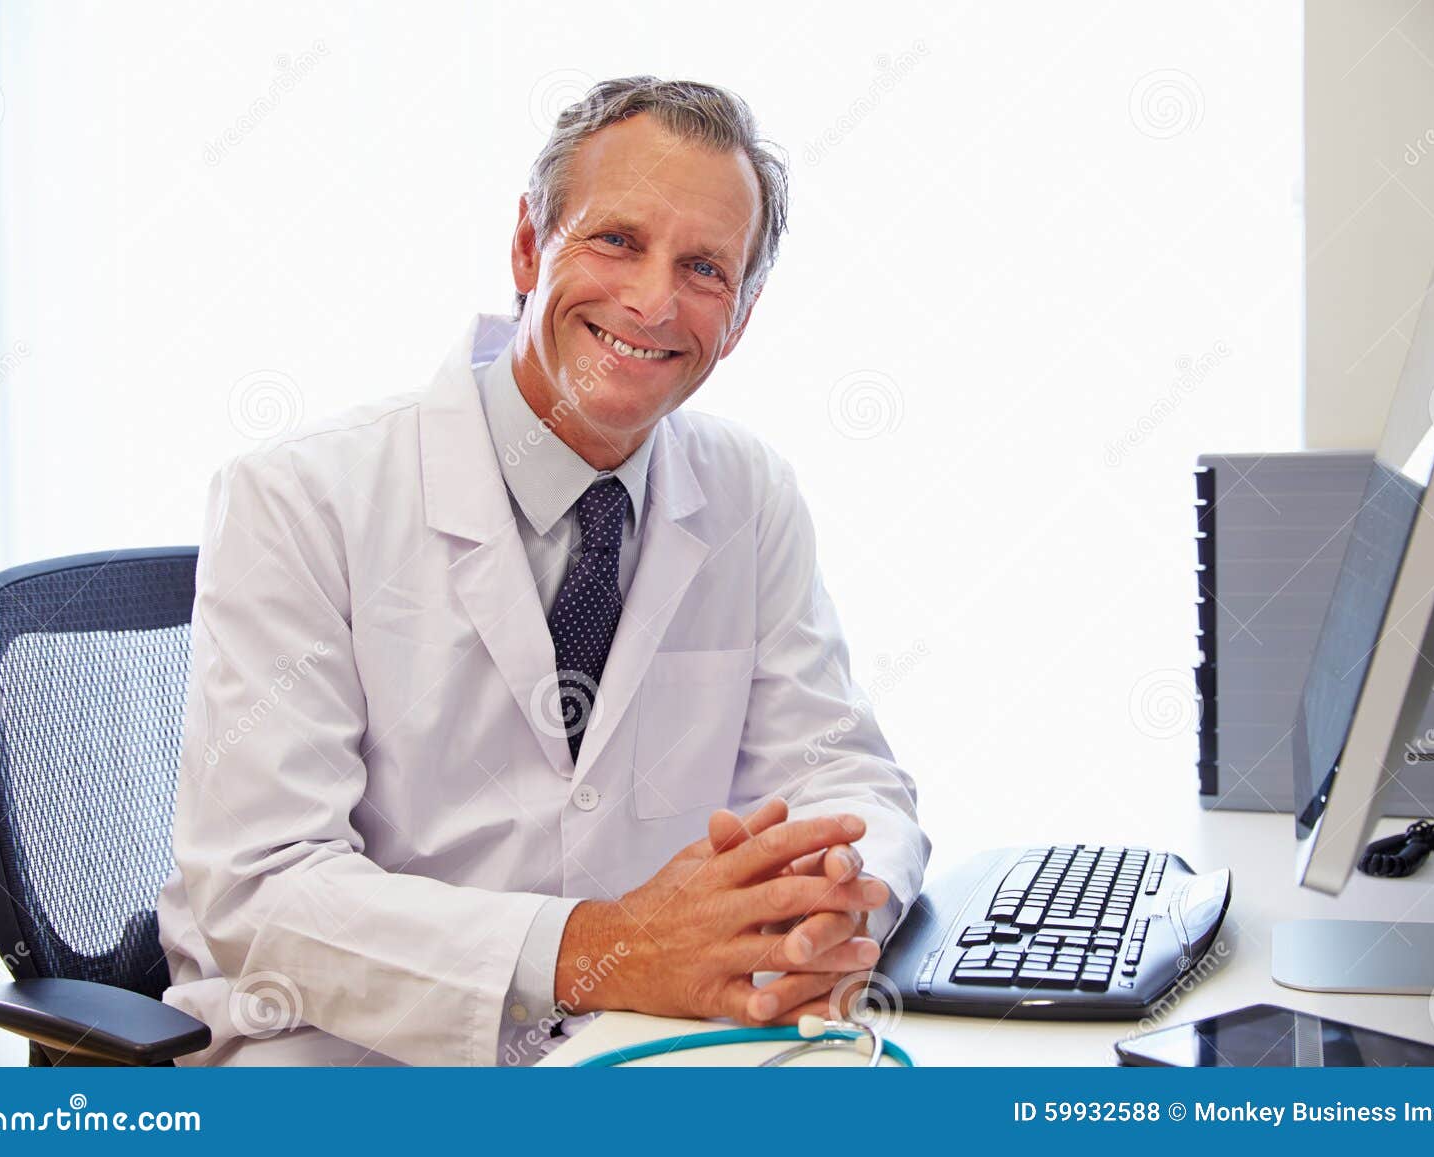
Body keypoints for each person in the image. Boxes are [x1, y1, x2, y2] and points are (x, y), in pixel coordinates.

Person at [157, 76, 930, 1066]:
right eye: (615, 240)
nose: (653, 300)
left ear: (738, 316)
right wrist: (600, 946)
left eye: (703, 266)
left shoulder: (748, 491)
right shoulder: (301, 496)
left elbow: (843, 768)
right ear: (528, 246)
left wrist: (817, 900)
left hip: (640, 1038)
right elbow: (261, 892)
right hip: (343, 1049)